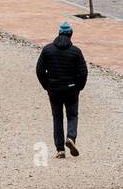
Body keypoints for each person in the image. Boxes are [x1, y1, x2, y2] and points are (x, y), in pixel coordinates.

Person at [36, 21, 88, 159]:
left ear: (58, 33)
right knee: (72, 115)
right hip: (71, 89)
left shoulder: (48, 50)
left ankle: (60, 149)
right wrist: (79, 87)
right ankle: (70, 137)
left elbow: (39, 70)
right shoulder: (76, 52)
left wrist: (46, 85)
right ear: (71, 34)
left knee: (57, 117)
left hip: (54, 90)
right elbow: (83, 72)